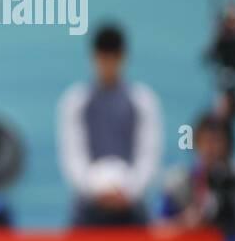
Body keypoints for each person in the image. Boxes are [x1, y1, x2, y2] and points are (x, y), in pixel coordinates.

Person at [57, 24, 163, 226]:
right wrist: (97, 190)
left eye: (113, 58)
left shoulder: (143, 101)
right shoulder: (75, 101)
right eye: (103, 58)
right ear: (94, 57)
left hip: (131, 207)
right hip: (88, 208)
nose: (108, 64)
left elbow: (149, 155)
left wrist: (129, 190)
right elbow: (72, 156)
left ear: (123, 58)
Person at [159, 113, 235, 233]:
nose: (211, 148)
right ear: (196, 142)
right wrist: (183, 222)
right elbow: (158, 229)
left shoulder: (233, 183)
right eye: (206, 140)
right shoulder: (178, 182)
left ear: (228, 146)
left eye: (217, 141)